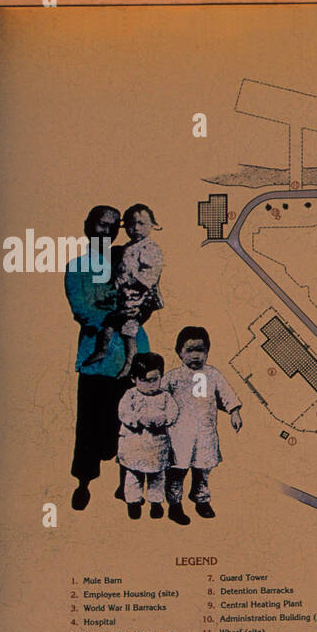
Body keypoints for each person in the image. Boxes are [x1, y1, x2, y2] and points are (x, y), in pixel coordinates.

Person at [65, 205, 152, 510]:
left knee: (132, 423)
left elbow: (145, 298)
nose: (108, 232)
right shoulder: (77, 267)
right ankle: (83, 482)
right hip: (95, 359)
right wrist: (118, 312)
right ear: (88, 227)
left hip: (133, 353)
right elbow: (83, 312)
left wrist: (139, 307)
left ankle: (125, 483)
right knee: (90, 426)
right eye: (102, 226)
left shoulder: (126, 258)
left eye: (114, 227)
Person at [162, 326, 243, 524]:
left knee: (203, 470)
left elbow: (227, 395)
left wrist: (234, 411)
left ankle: (201, 500)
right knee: (177, 471)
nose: (196, 355)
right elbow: (158, 397)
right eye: (190, 350)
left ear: (207, 351)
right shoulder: (173, 377)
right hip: (179, 435)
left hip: (205, 434)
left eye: (201, 350)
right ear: (179, 352)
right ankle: (174, 505)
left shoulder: (213, 374)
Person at [83, 204, 164, 378]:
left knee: (129, 329)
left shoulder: (148, 249)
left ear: (152, 225)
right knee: (110, 324)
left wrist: (138, 300)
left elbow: (151, 277)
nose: (135, 228)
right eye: (130, 224)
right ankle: (102, 350)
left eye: (141, 223)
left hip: (136, 297)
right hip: (122, 298)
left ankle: (130, 364)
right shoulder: (124, 249)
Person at [117, 352, 179, 520]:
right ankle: (133, 502)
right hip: (134, 445)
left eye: (154, 380)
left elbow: (173, 412)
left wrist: (164, 418)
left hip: (156, 447)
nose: (150, 385)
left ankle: (156, 503)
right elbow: (123, 413)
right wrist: (138, 419)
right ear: (134, 379)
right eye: (144, 380)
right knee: (133, 475)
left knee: (157, 476)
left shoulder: (165, 396)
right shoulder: (130, 395)